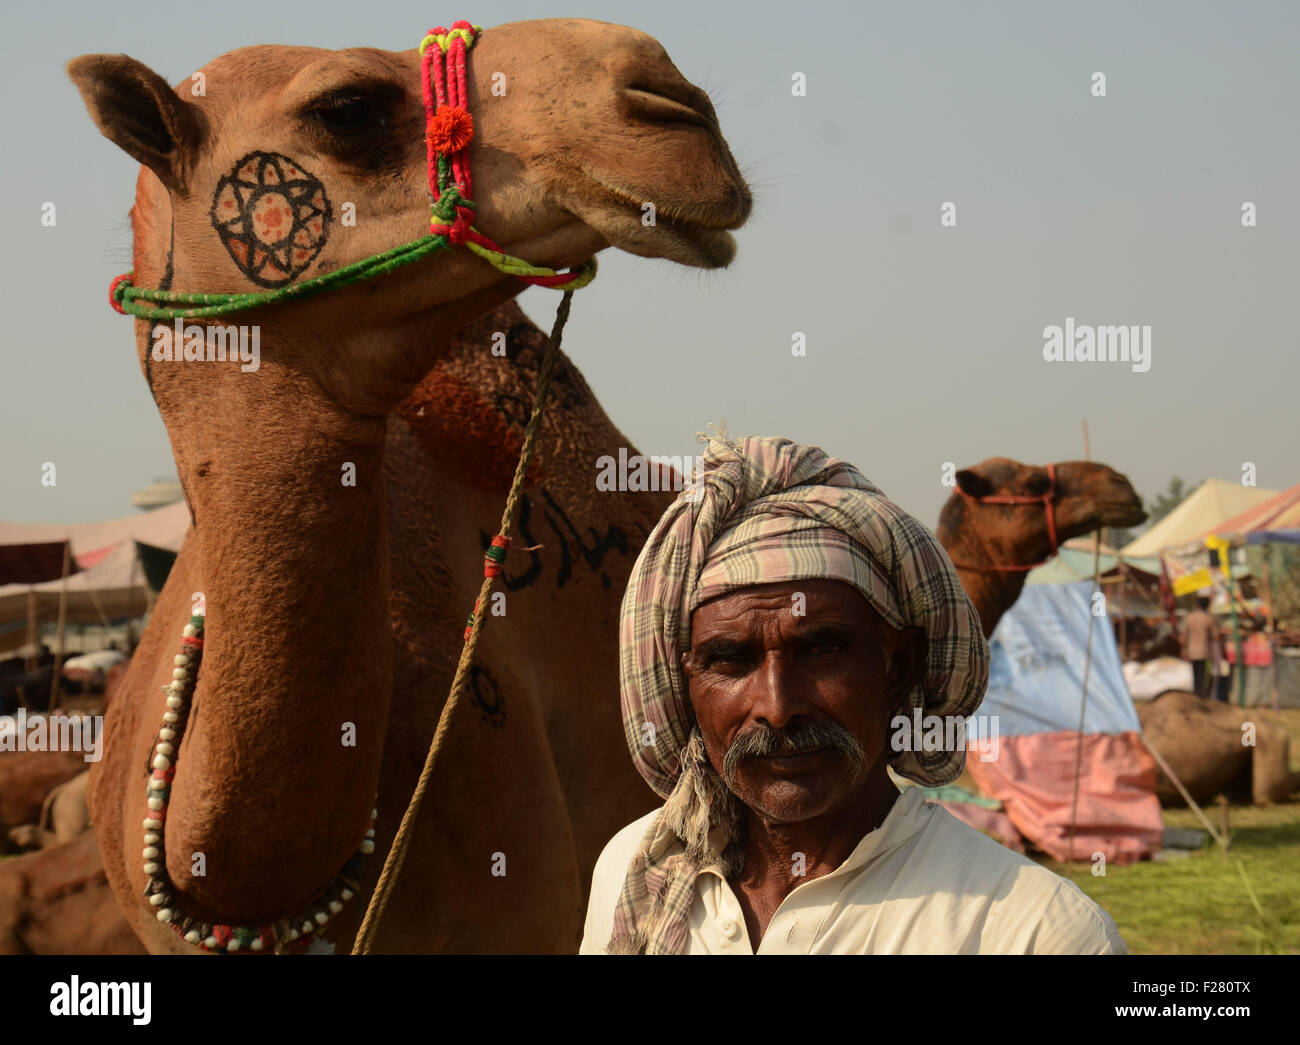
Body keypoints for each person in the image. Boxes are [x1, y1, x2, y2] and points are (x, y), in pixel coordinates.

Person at [581, 433, 1126, 954]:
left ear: (899, 668)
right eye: (729, 660)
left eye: (821, 651)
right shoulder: (632, 870)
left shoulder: (1036, 932)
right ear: (687, 682)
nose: (777, 707)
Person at [1180, 596, 1218, 698]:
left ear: (1197, 605)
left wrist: (1183, 650)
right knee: (1202, 674)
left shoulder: (1189, 617)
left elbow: (1183, 636)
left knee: (1195, 673)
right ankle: (1201, 694)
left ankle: (1196, 693)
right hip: (1204, 651)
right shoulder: (1208, 619)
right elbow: (1215, 636)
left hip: (1191, 651)